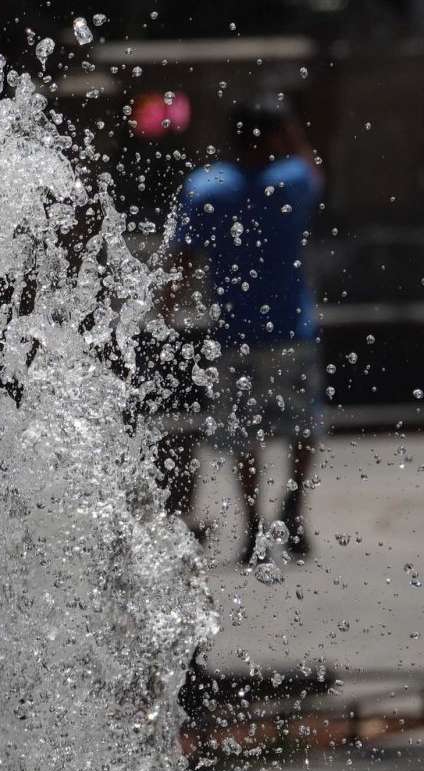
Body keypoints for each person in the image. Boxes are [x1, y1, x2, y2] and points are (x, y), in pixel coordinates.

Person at [172, 94, 325, 563]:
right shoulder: (292, 182)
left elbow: (182, 262)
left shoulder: (207, 187)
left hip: (233, 332)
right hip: (291, 329)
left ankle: (255, 522)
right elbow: (315, 170)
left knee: (243, 433)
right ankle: (293, 510)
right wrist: (292, 130)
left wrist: (167, 311)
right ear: (276, 135)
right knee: (301, 426)